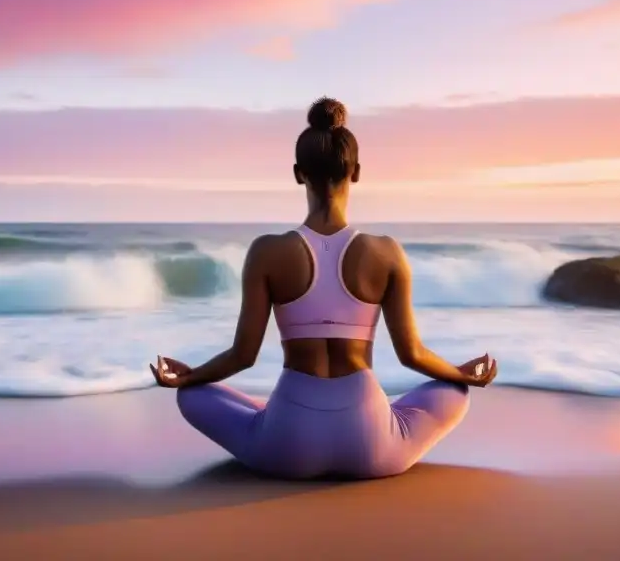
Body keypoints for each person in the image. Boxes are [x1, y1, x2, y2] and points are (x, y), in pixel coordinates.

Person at [150, 97, 498, 479]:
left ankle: (273, 412)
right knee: (454, 393)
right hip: (371, 447)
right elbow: (412, 354)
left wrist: (190, 375)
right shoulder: (386, 252)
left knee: (193, 396)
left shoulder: (267, 251)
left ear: (298, 174)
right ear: (357, 172)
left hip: (286, 447)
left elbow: (242, 356)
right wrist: (461, 374)